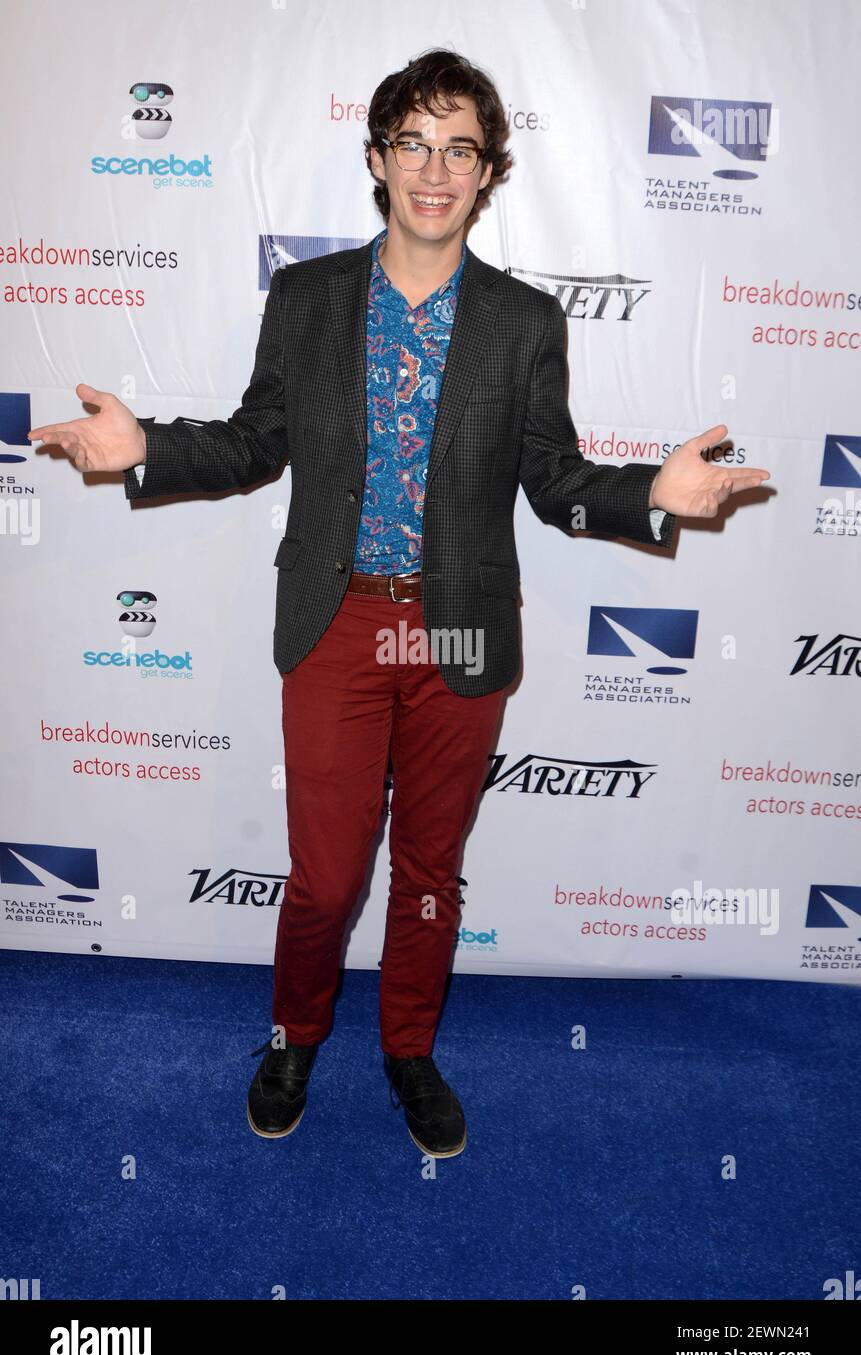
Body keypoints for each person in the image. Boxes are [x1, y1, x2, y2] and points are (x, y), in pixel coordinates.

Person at [28, 48, 770, 1160]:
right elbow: (252, 441)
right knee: (327, 876)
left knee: (430, 867)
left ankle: (409, 1049)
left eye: (459, 147)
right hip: (338, 618)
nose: (435, 168)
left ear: (486, 172)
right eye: (413, 143)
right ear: (378, 159)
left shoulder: (523, 322)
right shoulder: (311, 297)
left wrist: (647, 495)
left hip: (459, 622)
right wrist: (151, 451)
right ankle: (294, 1033)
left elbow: (554, 481)